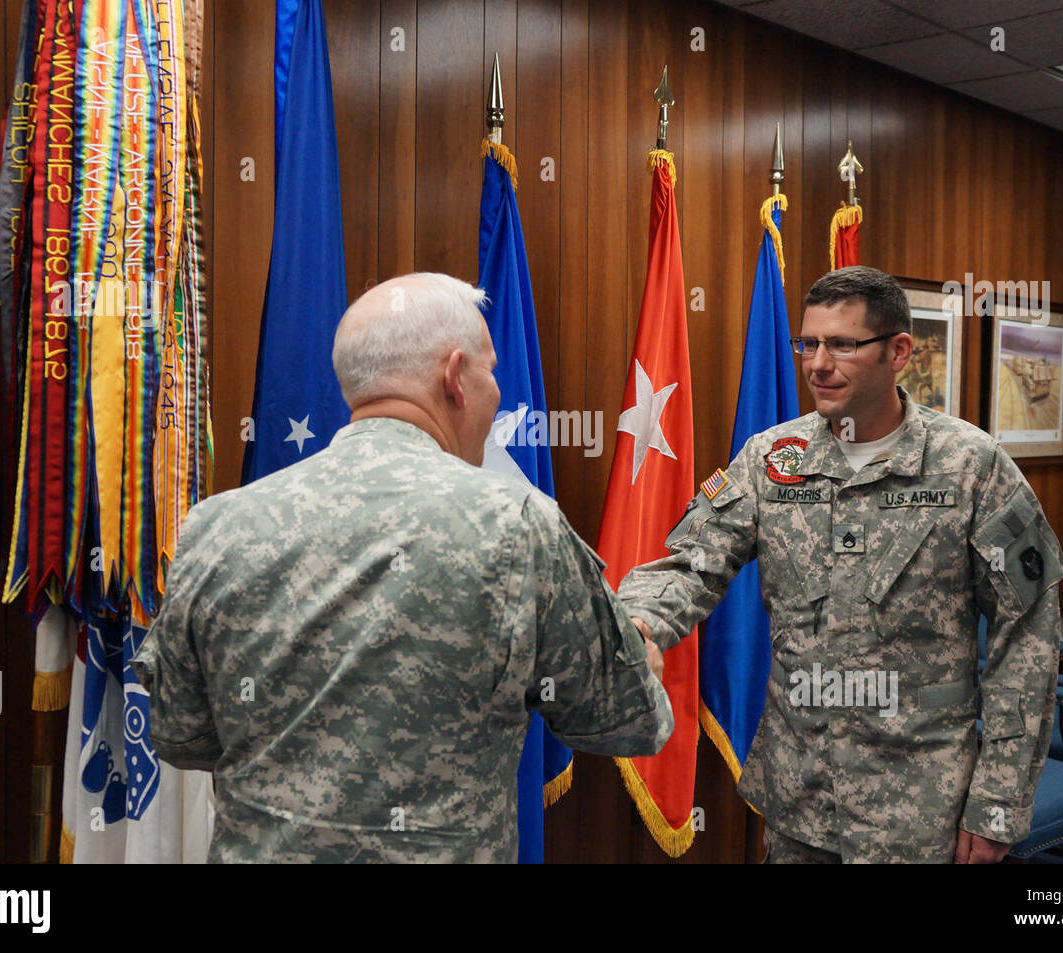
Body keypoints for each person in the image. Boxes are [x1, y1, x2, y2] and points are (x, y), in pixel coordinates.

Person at [132, 272, 673, 863]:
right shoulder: (518, 524)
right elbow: (627, 721)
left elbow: (179, 735)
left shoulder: (215, 527)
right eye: (490, 371)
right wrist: (638, 659)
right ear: (454, 375)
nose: (497, 393)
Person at [619, 265, 1063, 864]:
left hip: (919, 813)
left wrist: (997, 807)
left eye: (843, 345)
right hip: (799, 799)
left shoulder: (972, 467)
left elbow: (1028, 638)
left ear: (898, 351)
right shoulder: (774, 459)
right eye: (809, 343)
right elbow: (692, 564)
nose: (817, 363)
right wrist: (638, 623)